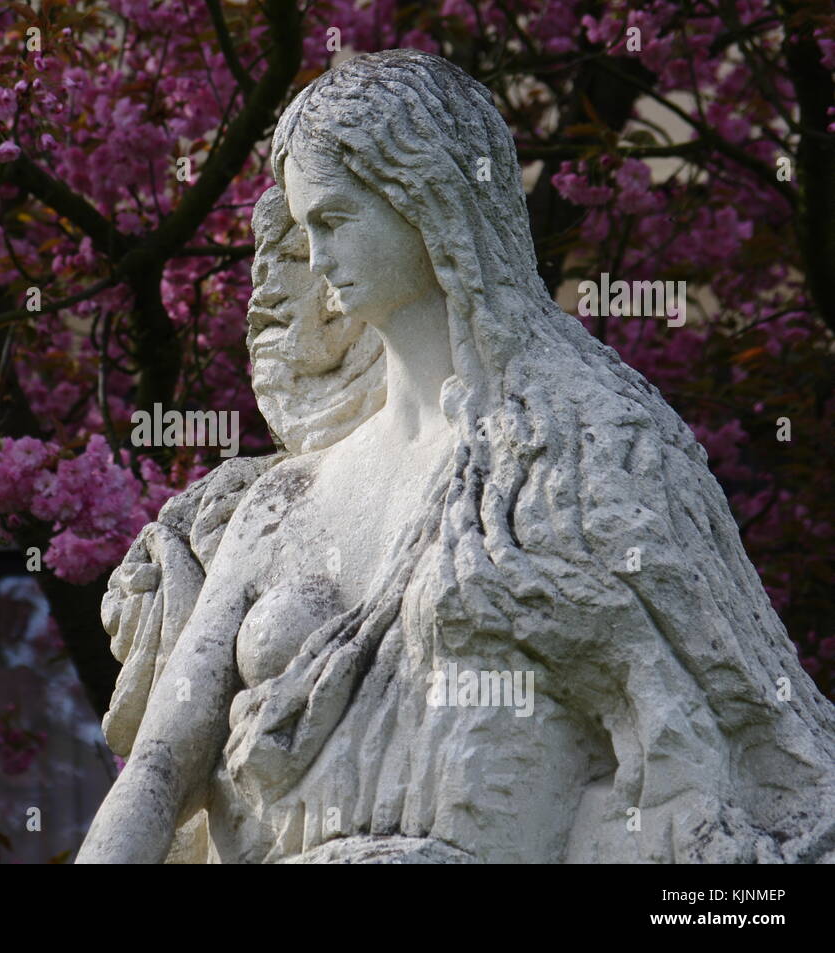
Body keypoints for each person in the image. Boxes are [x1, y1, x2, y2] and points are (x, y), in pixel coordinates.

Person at [78, 50, 835, 864]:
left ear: (426, 199)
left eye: (334, 218)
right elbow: (159, 767)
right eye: (304, 228)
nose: (317, 252)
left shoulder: (584, 450)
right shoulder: (280, 502)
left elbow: (738, 742)